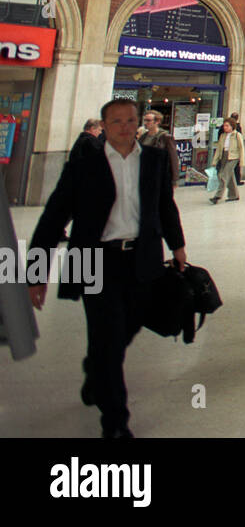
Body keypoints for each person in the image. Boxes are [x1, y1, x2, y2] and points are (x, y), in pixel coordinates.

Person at [28, 99, 186, 438]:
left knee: (127, 327)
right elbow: (54, 215)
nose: (126, 127)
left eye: (131, 120)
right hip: (93, 258)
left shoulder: (153, 159)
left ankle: (94, 370)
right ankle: (115, 422)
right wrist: (35, 273)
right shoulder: (85, 163)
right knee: (109, 338)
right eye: (117, 122)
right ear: (104, 125)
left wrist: (178, 244)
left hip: (140, 256)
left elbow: (163, 205)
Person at [139, 110, 180, 186]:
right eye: (144, 120)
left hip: (158, 175)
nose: (145, 123)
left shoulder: (165, 137)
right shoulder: (143, 137)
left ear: (157, 122)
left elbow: (173, 159)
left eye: (148, 120)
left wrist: (174, 180)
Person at [209, 119, 243, 204]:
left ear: (232, 126)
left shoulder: (237, 135)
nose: (225, 127)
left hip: (233, 157)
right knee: (230, 176)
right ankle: (234, 195)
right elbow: (219, 149)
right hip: (224, 156)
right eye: (224, 126)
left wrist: (242, 161)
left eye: (227, 126)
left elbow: (241, 148)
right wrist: (215, 160)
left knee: (223, 175)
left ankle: (217, 196)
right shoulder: (223, 136)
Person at [227, 113, 245, 184]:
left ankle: (232, 181)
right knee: (236, 168)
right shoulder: (237, 127)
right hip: (234, 151)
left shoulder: (226, 126)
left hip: (229, 150)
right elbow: (241, 144)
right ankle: (236, 181)